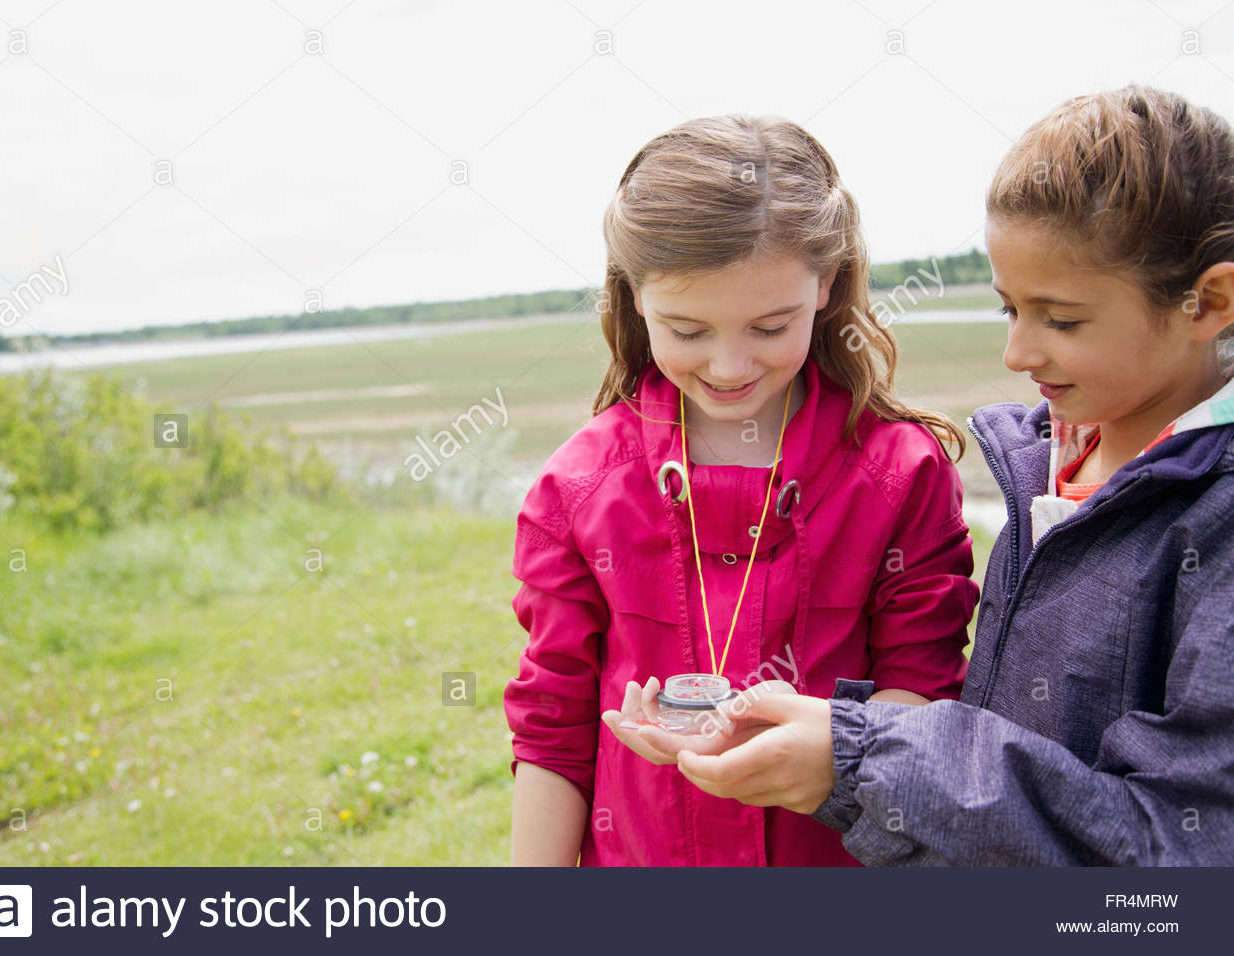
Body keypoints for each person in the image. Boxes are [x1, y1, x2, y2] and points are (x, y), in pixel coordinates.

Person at [611, 86, 1234, 865]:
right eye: (1009, 310)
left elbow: (1184, 858)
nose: (1017, 354)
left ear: (1210, 301)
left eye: (1062, 320)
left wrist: (858, 761)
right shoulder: (1049, 464)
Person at [503, 115, 980, 866]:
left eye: (769, 326)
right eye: (688, 331)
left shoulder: (901, 475)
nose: (729, 367)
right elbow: (551, 727)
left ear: (826, 285)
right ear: (633, 300)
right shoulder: (577, 489)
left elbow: (921, 687)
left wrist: (827, 753)